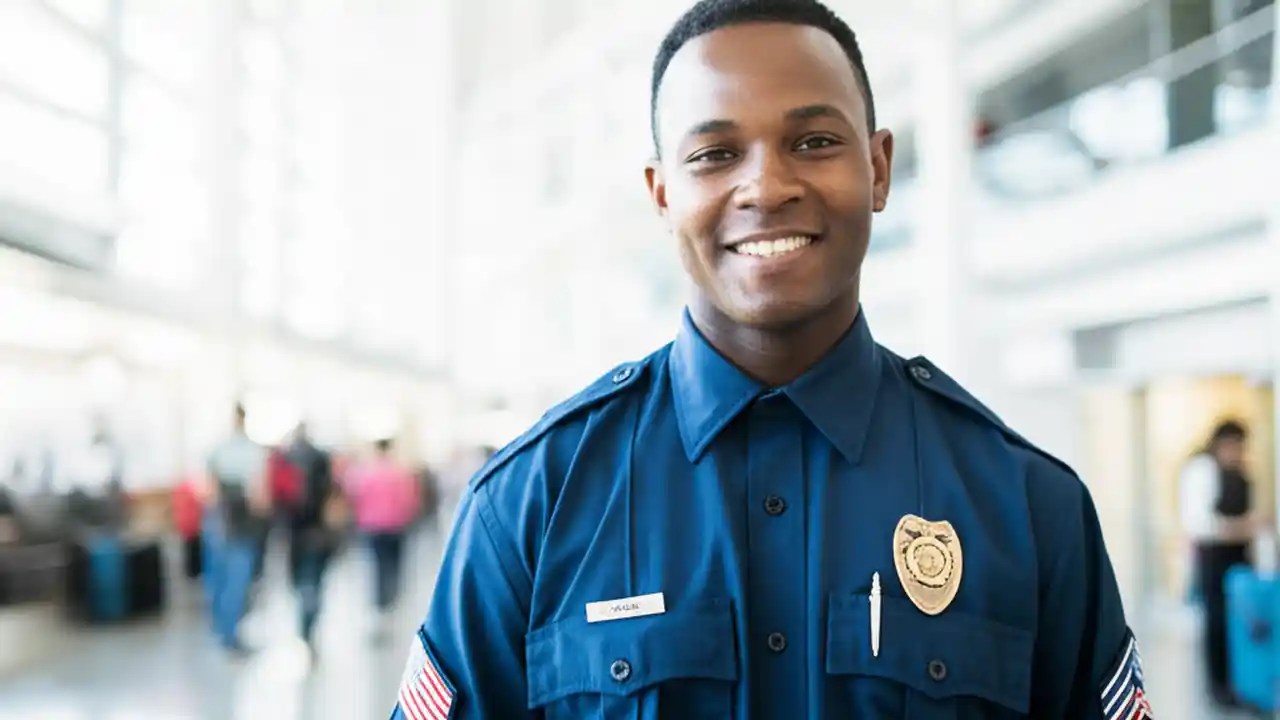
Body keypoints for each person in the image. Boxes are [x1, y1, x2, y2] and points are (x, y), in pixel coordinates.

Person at [390, 1, 1146, 718]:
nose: (767, 187)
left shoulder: (1026, 504)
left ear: (878, 168)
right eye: (715, 154)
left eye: (814, 143)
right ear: (661, 196)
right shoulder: (531, 504)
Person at [1180, 419, 1255, 706]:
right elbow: (1200, 524)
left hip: (1238, 559)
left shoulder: (1237, 471)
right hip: (1214, 557)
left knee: (1237, 623)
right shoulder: (1202, 470)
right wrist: (1245, 526)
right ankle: (1218, 689)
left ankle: (1237, 684)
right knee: (1216, 623)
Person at [205, 403, 268, 655]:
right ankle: (230, 635)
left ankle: (222, 630)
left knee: (220, 579)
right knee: (237, 580)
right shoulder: (253, 453)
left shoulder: (218, 450)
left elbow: (208, 490)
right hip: (241, 521)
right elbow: (259, 495)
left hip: (219, 518)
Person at [346, 438, 419, 637]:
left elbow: (354, 496)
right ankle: (390, 604)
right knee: (393, 566)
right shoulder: (400, 472)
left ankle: (379, 607)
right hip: (395, 526)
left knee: (376, 567)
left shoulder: (365, 472)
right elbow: (410, 500)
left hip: (371, 526)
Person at [281, 423, 338, 652]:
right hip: (319, 531)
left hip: (294, 532)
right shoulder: (321, 458)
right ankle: (308, 627)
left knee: (301, 582)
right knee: (314, 581)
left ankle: (304, 629)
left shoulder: (285, 459)